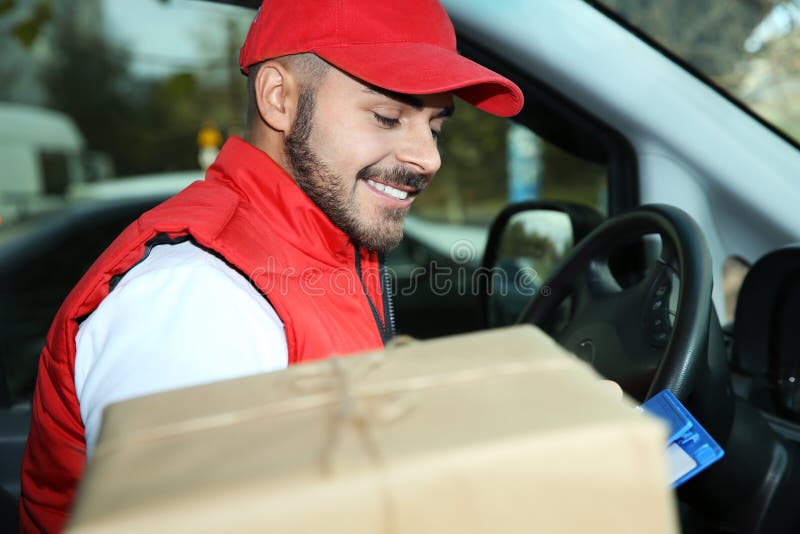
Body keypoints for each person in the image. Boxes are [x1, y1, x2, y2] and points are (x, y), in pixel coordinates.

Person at [19, 0, 523, 531]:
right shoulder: (201, 298)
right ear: (278, 98)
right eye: (387, 117)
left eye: (435, 128)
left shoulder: (327, 248)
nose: (428, 158)